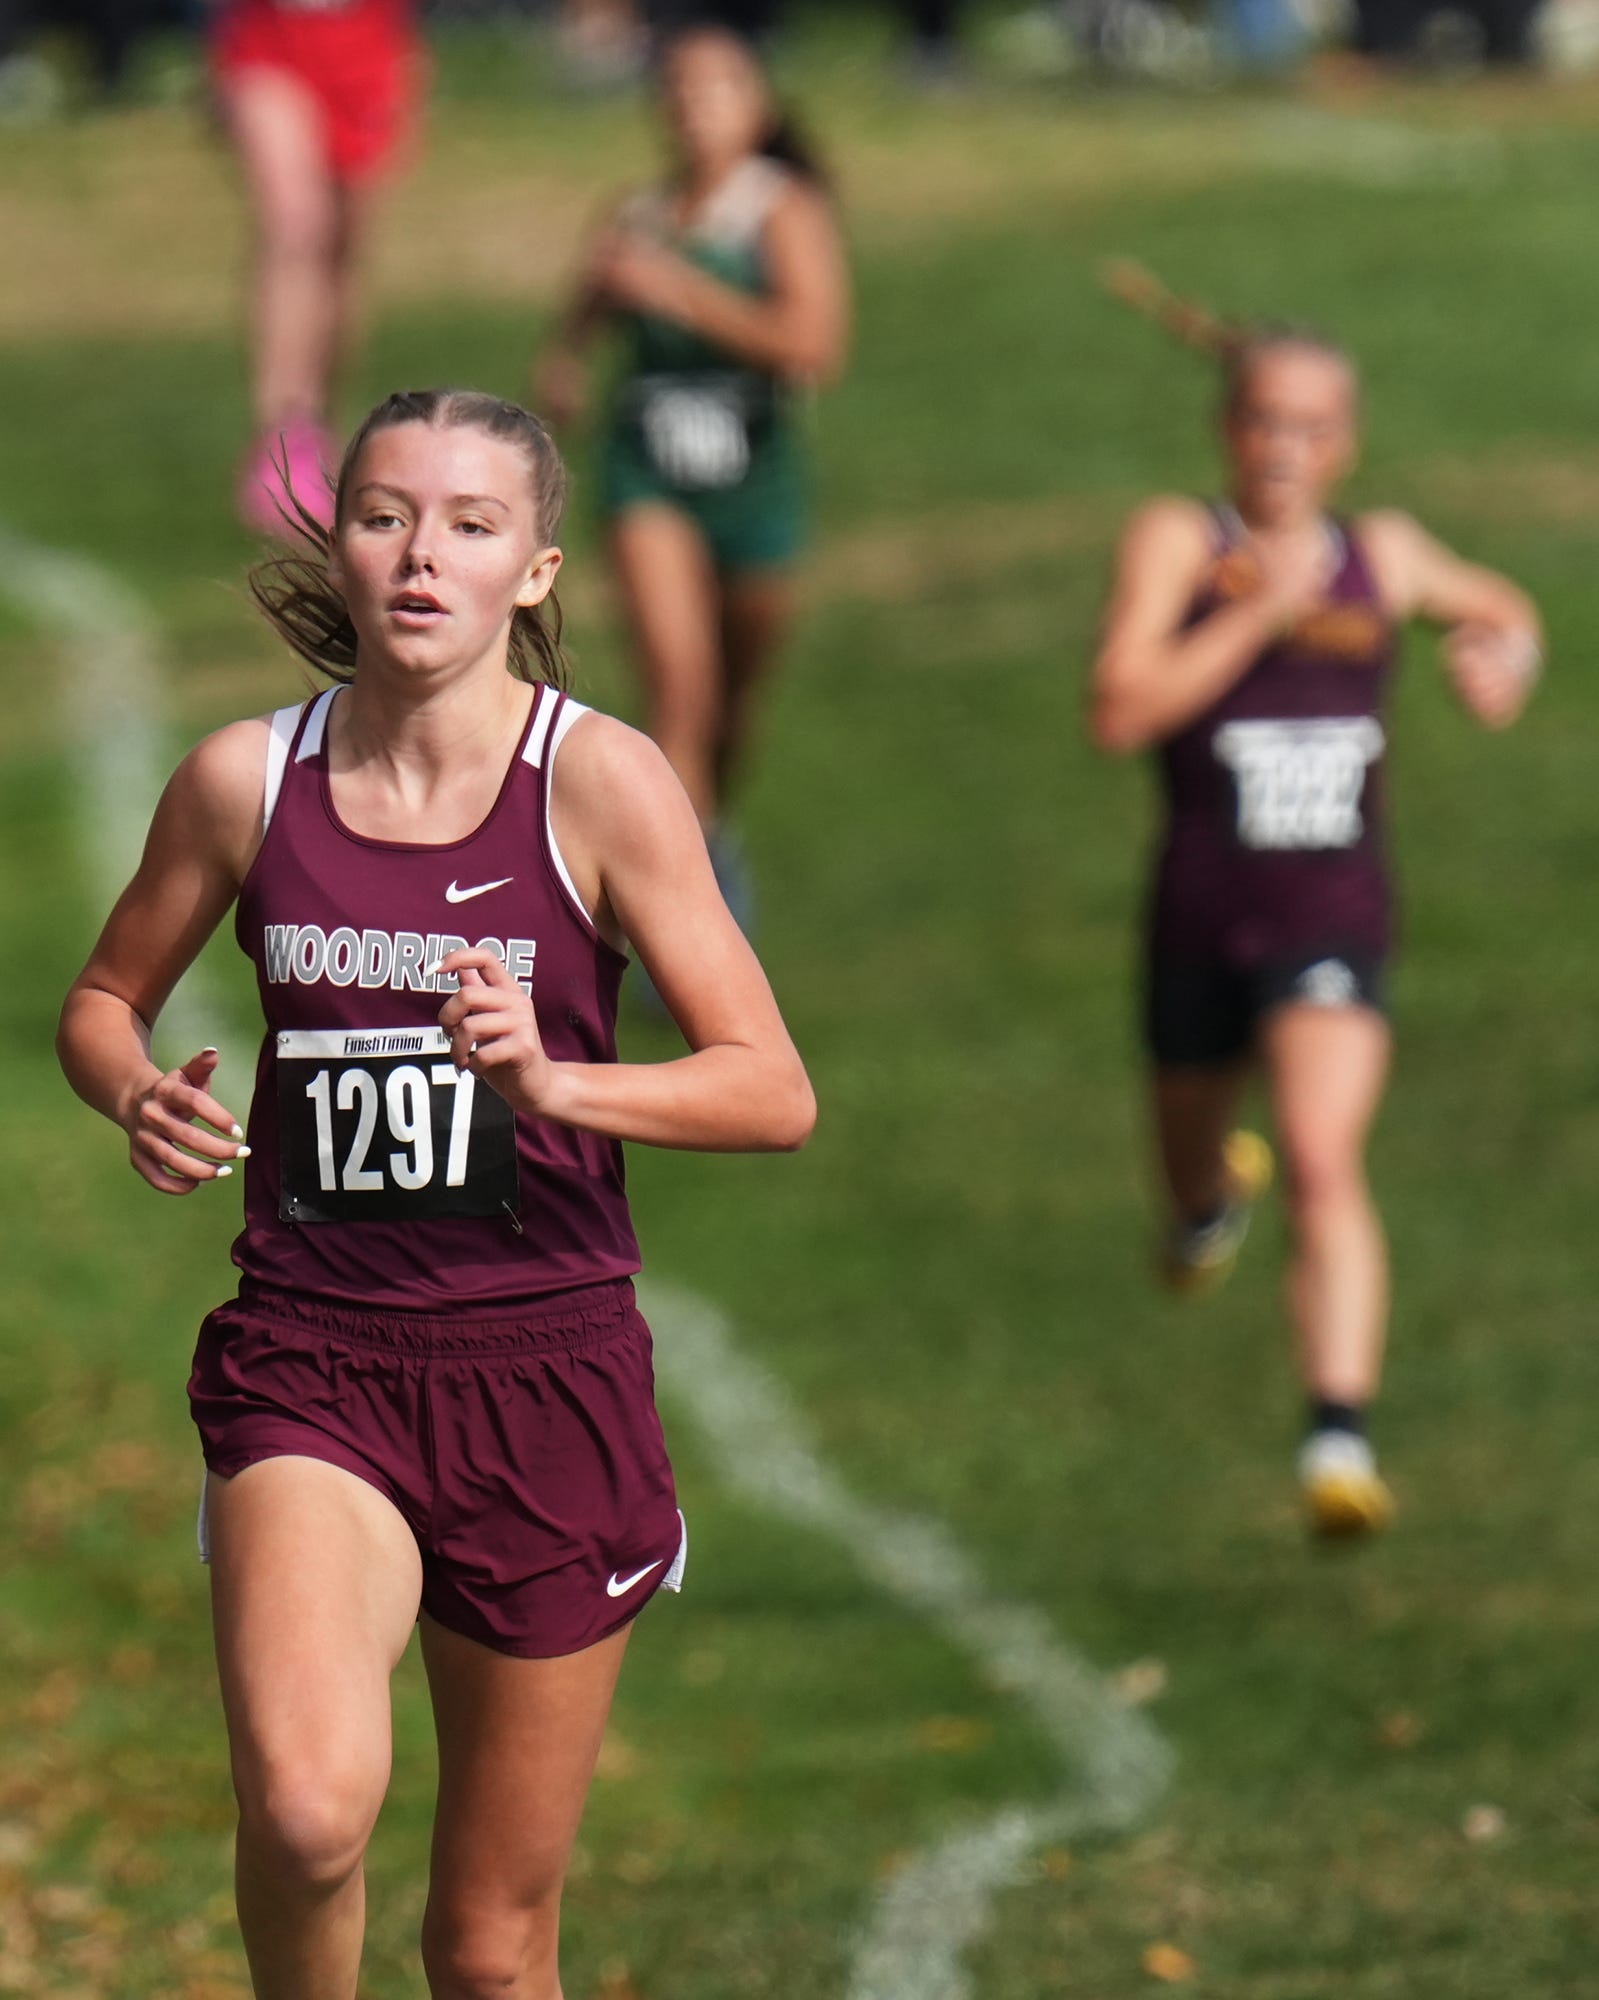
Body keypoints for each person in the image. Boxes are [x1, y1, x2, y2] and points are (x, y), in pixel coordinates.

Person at [57, 388, 815, 1996]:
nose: (421, 556)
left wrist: (552, 1084)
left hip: (547, 1381)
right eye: (386, 515)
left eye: (471, 526)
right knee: (307, 1810)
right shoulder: (245, 780)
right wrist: (134, 1091)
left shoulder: (597, 783)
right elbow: (105, 999)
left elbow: (770, 1088)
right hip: (314, 1362)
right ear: (339, 544)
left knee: (487, 1950)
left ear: (532, 573)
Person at [1088, 324, 1541, 1538]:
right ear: (1226, 429)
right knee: (1188, 1186)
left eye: (1310, 426)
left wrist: (1504, 659)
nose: (1283, 447)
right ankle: (1206, 1201)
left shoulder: (1382, 554)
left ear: (1347, 443)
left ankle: (1338, 1437)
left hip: (1333, 919)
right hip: (1199, 921)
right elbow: (1119, 708)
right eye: (1263, 420)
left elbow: (1502, 607)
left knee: (1323, 1152)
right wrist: (1254, 619)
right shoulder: (1181, 542)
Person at [535, 24, 849, 922]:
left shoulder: (779, 212)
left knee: (732, 702)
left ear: (756, 106)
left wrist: (681, 292)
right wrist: (566, 364)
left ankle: (707, 827)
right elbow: (586, 307)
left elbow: (812, 345)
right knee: (679, 687)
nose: (692, 107)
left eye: (714, 88)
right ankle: (684, 910)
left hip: (756, 482)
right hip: (648, 475)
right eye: (676, 88)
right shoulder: (636, 214)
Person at [209, 0, 426, 534]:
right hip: (269, 40)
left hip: (367, 38)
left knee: (341, 251)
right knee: (295, 224)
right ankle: (283, 431)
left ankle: (319, 425)